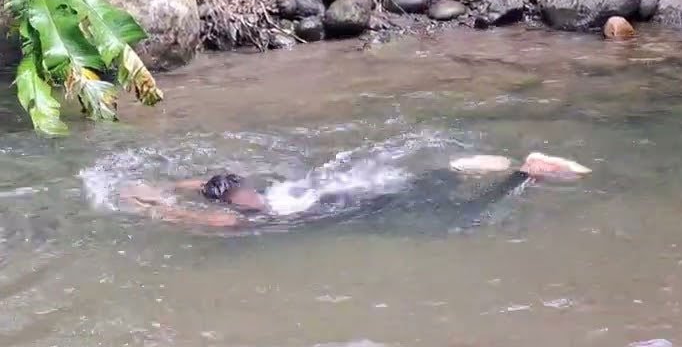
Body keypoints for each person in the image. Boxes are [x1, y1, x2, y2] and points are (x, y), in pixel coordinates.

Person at [118, 153, 591, 229]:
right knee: (428, 190)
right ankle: (474, 169)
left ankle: (523, 175)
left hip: (357, 210)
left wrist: (153, 203)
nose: (247, 197)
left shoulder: (244, 218)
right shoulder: (276, 194)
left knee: (455, 221)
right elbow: (209, 186)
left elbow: (193, 215)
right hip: (353, 197)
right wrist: (164, 188)